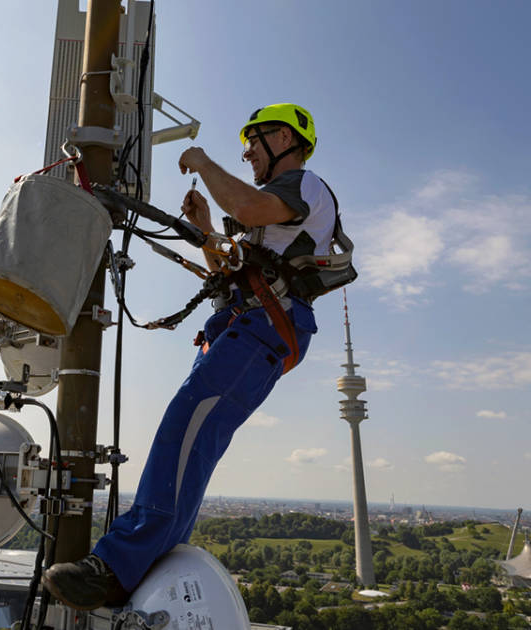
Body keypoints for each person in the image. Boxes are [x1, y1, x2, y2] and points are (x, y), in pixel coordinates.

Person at [43, 103, 341, 610]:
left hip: (263, 329)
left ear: (284, 141)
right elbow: (230, 271)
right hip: (246, 329)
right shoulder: (274, 212)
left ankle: (115, 569)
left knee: (187, 427)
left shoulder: (305, 186)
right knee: (191, 437)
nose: (246, 152)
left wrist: (203, 162)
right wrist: (205, 231)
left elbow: (248, 209)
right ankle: (141, 559)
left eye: (254, 141)